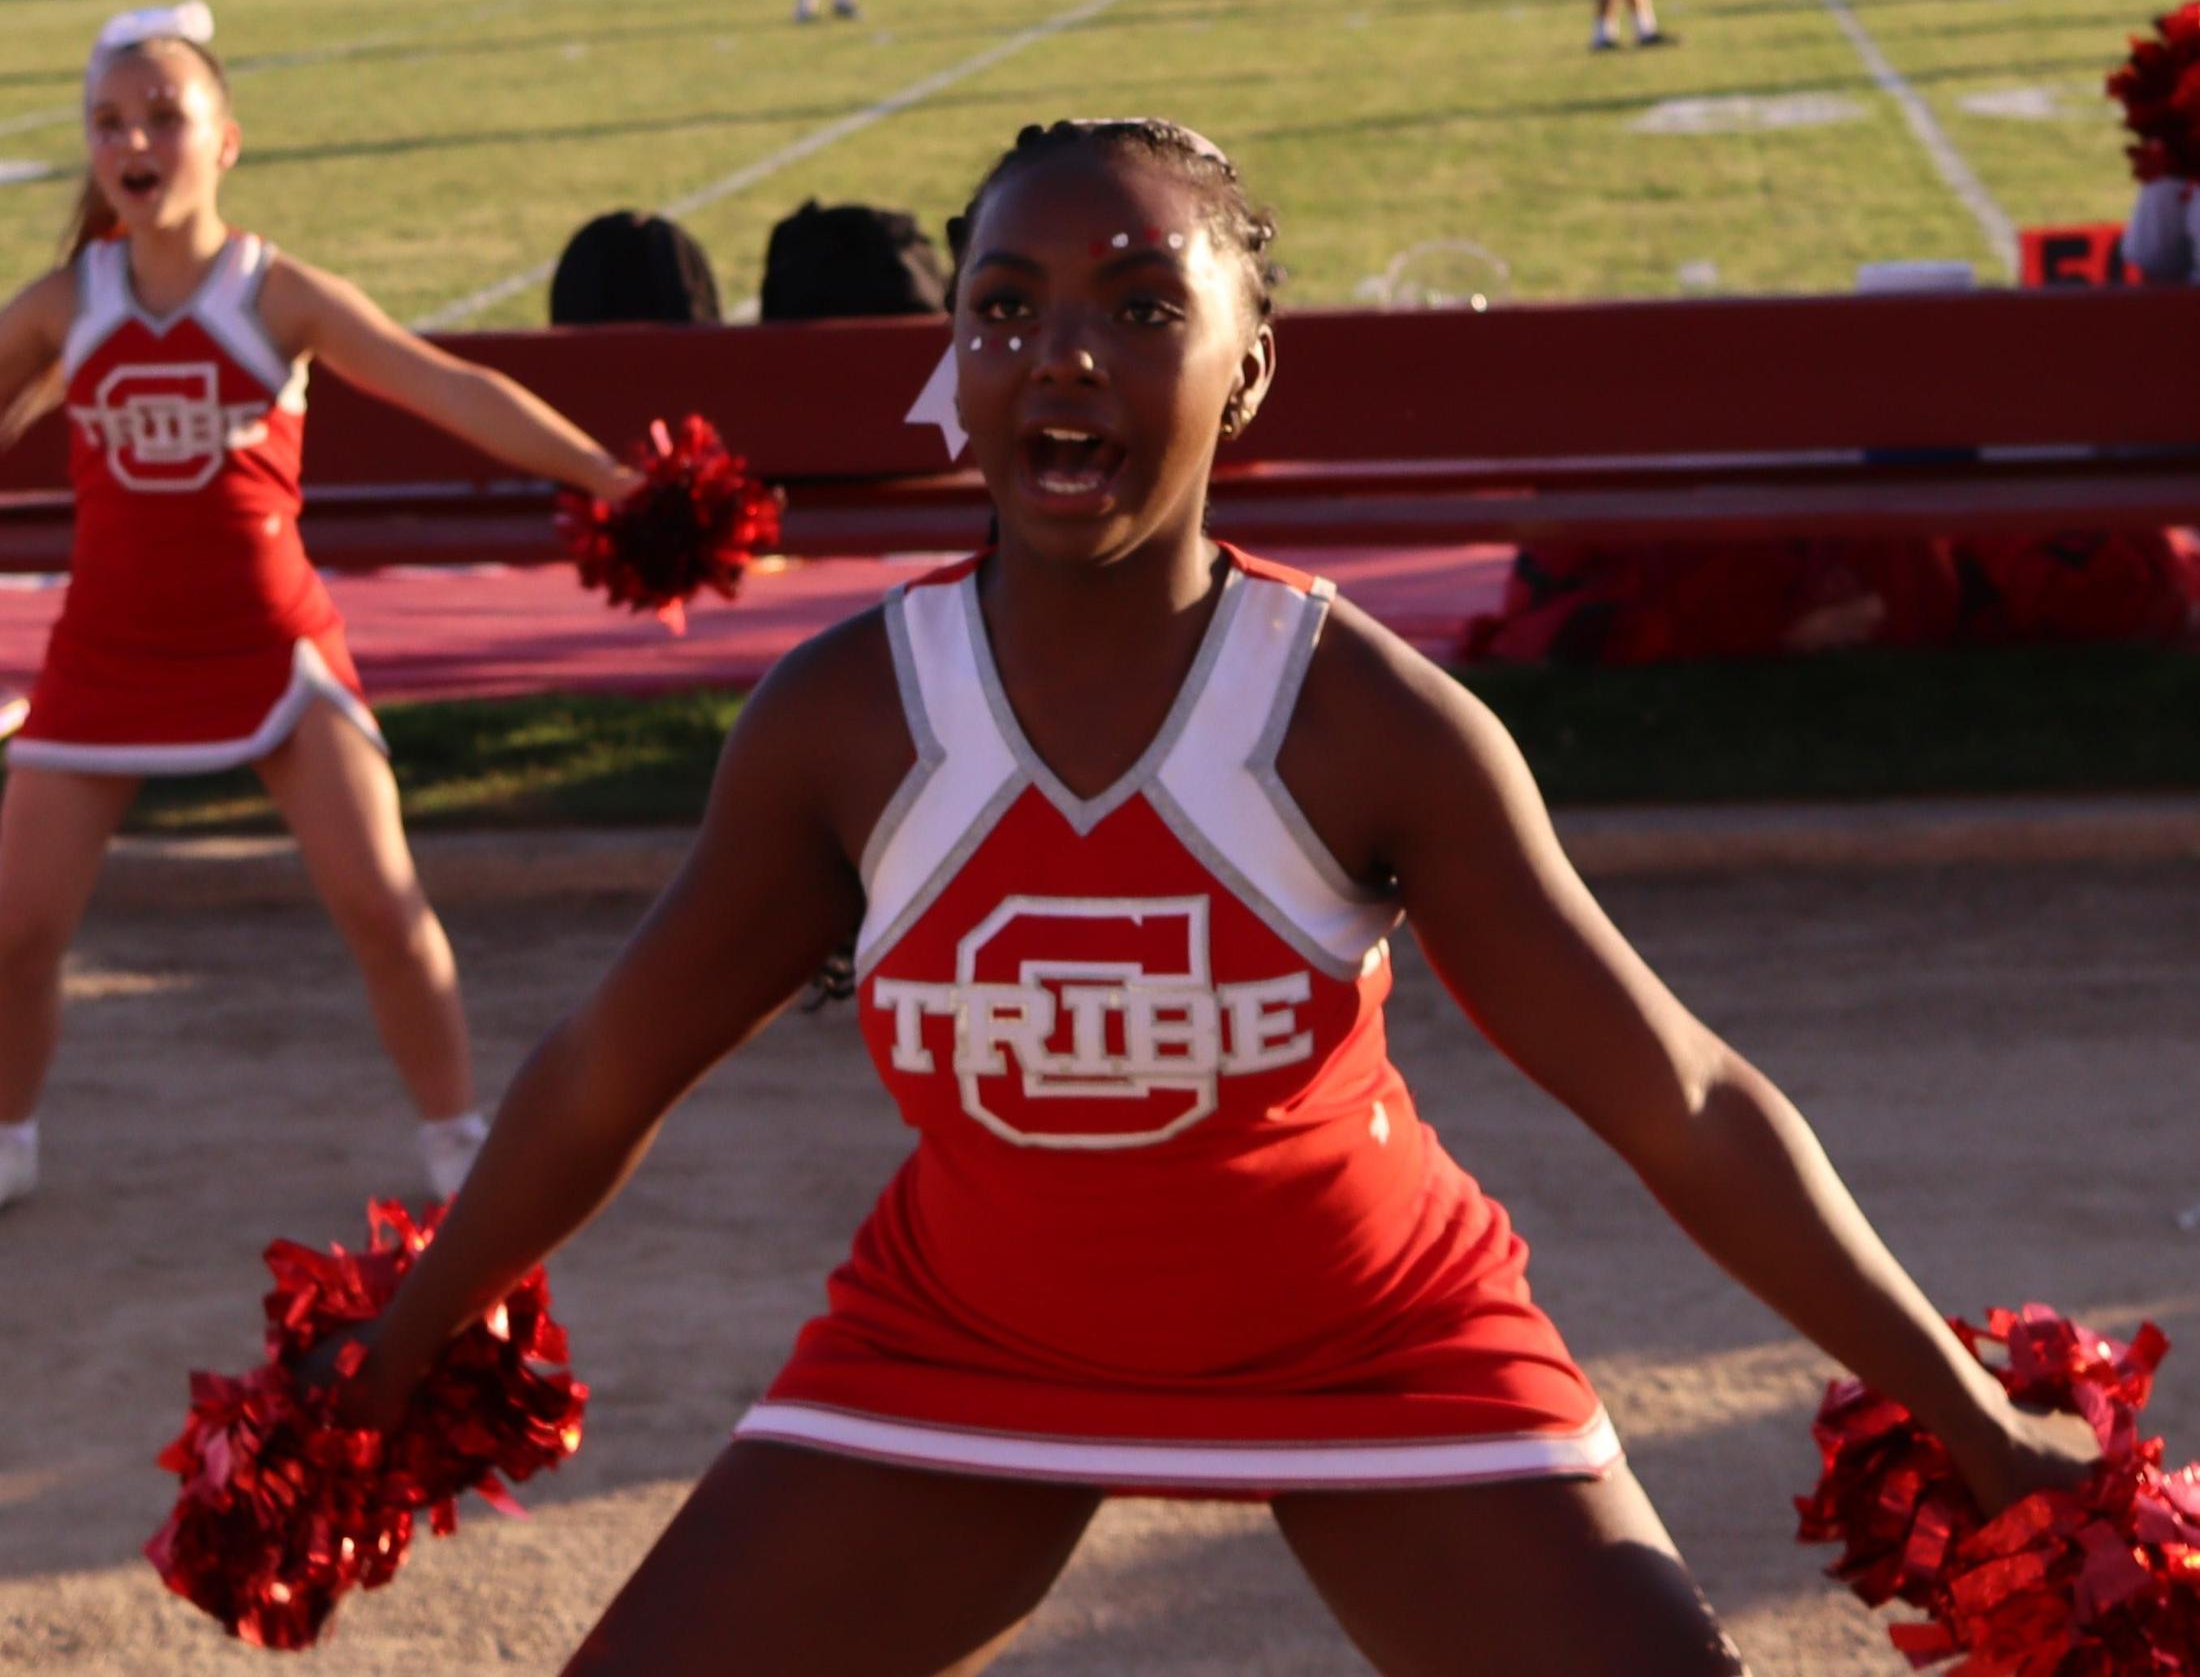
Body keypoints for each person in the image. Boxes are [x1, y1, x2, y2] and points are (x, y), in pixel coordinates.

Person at [323, 116, 2099, 1676]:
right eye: (1005, 308)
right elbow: (608, 1067)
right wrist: (394, 1354)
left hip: (1378, 1346)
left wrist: (1972, 1420)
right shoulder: (848, 720)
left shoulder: (1367, 723)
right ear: (953, 361)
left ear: (1249, 367)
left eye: (1141, 307)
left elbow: (1683, 1099)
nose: (1061, 357)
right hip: (965, 1347)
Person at [0, 6, 636, 1217]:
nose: (135, 140)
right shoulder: (63, 302)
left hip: (274, 651)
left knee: (385, 910)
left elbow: (447, 386)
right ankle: (8, 1137)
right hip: (110, 656)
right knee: (18, 931)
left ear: (224, 141)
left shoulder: (274, 291)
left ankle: (459, 1138)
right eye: (108, 122)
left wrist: (605, 475)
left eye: (164, 117)